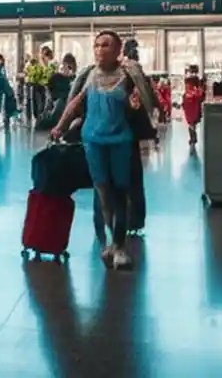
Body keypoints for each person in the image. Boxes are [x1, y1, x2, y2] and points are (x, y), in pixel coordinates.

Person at [52, 31, 141, 270]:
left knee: (120, 192)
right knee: (103, 193)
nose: (100, 50)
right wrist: (60, 125)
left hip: (120, 141)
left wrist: (137, 106)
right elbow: (76, 102)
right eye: (97, 45)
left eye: (106, 45)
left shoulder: (128, 76)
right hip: (93, 140)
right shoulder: (90, 75)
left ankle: (120, 246)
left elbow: (141, 103)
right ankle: (112, 242)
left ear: (118, 50)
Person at [182, 64, 205, 146]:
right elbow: (200, 93)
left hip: (188, 101)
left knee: (190, 120)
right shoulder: (197, 80)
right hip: (195, 101)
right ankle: (193, 137)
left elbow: (186, 90)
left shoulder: (187, 79)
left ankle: (192, 137)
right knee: (194, 120)